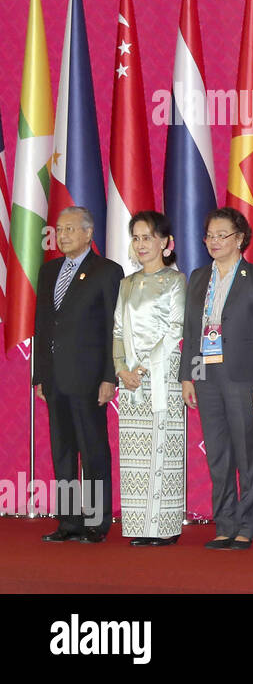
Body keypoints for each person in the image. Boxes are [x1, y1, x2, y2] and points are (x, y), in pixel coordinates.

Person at [182, 207, 253, 551]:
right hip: (206, 375)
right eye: (210, 236)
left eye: (222, 235)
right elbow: (192, 329)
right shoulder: (198, 276)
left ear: (240, 239)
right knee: (217, 453)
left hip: (241, 376)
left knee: (246, 452)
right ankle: (225, 524)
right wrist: (189, 376)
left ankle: (246, 526)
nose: (214, 242)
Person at [34, 207, 124, 543]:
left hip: (89, 378)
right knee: (63, 451)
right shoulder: (49, 271)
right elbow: (43, 324)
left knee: (94, 448)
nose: (63, 235)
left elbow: (112, 329)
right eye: (60, 229)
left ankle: (96, 522)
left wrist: (108, 376)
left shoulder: (106, 271)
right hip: (56, 379)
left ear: (89, 233)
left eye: (71, 228)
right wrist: (40, 374)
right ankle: (69, 522)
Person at [113, 211, 187, 546]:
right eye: (137, 238)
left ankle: (164, 527)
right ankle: (139, 525)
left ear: (165, 243)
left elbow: (175, 330)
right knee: (135, 456)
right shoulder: (126, 284)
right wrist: (121, 369)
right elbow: (117, 330)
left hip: (162, 374)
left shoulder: (175, 281)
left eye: (148, 237)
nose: (142, 244)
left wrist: (142, 368)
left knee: (162, 450)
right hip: (128, 381)